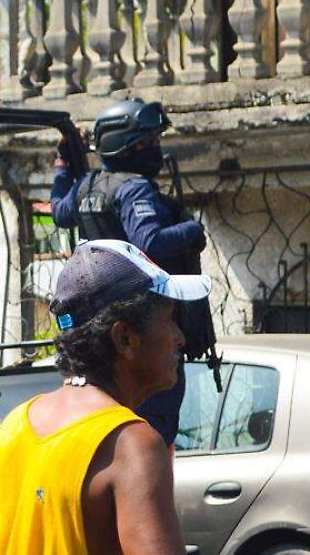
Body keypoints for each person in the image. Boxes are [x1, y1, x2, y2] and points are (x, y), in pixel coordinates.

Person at [0, 239, 206, 555]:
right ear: (125, 338)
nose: (179, 337)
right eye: (168, 319)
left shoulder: (14, 425)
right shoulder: (130, 445)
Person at [51, 98, 213, 447]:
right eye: (146, 142)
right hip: (143, 324)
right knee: (154, 434)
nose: (155, 149)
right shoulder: (133, 187)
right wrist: (192, 230)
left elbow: (59, 211)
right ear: (123, 147)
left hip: (103, 327)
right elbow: (150, 241)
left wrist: (64, 168)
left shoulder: (87, 186)